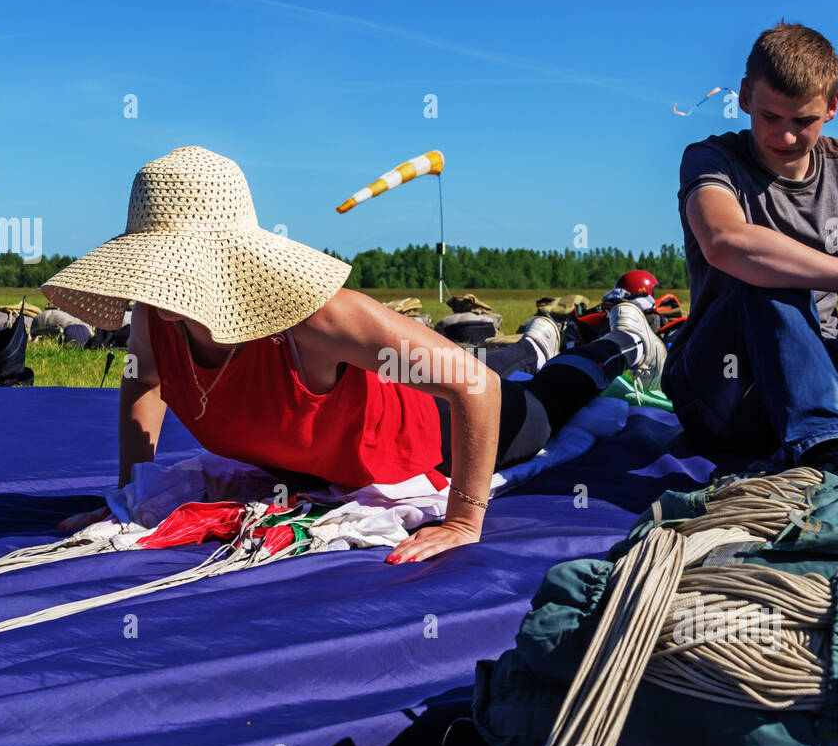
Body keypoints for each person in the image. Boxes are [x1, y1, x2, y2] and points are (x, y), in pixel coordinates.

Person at [47, 146, 666, 563]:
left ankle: (621, 340)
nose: (165, 286)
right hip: (345, 442)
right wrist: (133, 496)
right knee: (513, 366)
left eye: (179, 268)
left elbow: (471, 388)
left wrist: (463, 521)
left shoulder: (314, 319)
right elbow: (143, 385)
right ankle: (538, 340)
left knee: (544, 397)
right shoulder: (157, 320)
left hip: (441, 429)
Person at [662, 22, 838, 487]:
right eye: (770, 117)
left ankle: (808, 460)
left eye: (804, 121)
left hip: (818, 375)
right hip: (722, 387)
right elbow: (725, 241)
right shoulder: (712, 159)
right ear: (744, 98)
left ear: (833, 106)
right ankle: (829, 455)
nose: (785, 137)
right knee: (767, 272)